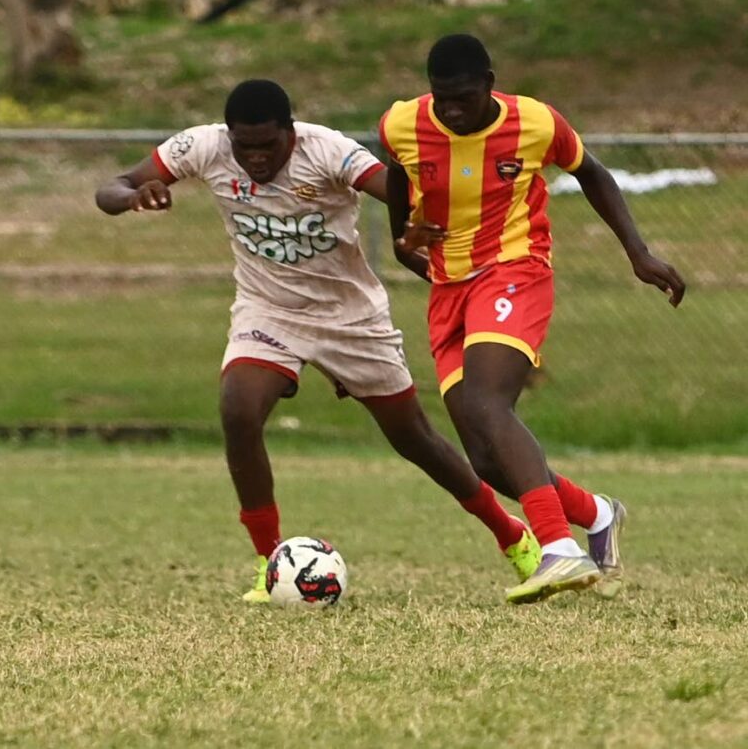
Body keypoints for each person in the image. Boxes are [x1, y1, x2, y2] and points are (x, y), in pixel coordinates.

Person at [95, 78, 542, 604]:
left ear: (291, 132)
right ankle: (267, 563)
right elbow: (112, 188)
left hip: (350, 317)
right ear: (229, 136)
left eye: (268, 145)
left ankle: (511, 535)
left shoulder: (327, 150)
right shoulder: (202, 146)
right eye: (244, 147)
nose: (256, 158)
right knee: (239, 410)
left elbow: (396, 187)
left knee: (415, 440)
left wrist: (415, 225)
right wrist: (134, 196)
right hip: (269, 310)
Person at [380, 34, 686, 604]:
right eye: (442, 98)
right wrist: (403, 237)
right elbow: (397, 171)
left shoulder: (536, 123)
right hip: (447, 289)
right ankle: (596, 514)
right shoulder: (401, 124)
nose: (452, 110)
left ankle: (558, 548)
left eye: (464, 98)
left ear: (489, 84)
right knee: (485, 458)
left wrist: (638, 252)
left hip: (514, 268)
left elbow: (593, 173)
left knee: (487, 402)